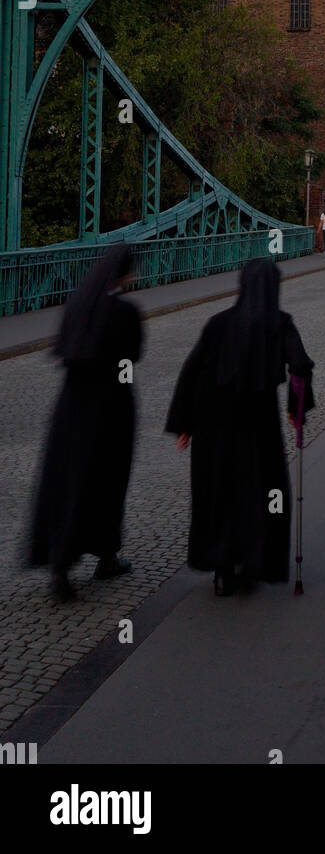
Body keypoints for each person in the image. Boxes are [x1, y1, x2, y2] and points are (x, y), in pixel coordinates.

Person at [165, 259, 314, 596]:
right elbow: (301, 364)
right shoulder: (280, 322)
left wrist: (184, 422)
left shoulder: (217, 323)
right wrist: (297, 409)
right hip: (258, 422)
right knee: (262, 492)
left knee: (218, 491)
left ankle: (221, 567)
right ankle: (252, 562)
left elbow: (191, 371)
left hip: (213, 422)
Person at [26, 245, 142, 602]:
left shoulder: (77, 304)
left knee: (68, 483)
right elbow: (132, 357)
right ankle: (106, 556)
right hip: (111, 409)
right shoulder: (124, 311)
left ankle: (60, 565)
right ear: (124, 274)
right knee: (107, 482)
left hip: (71, 409)